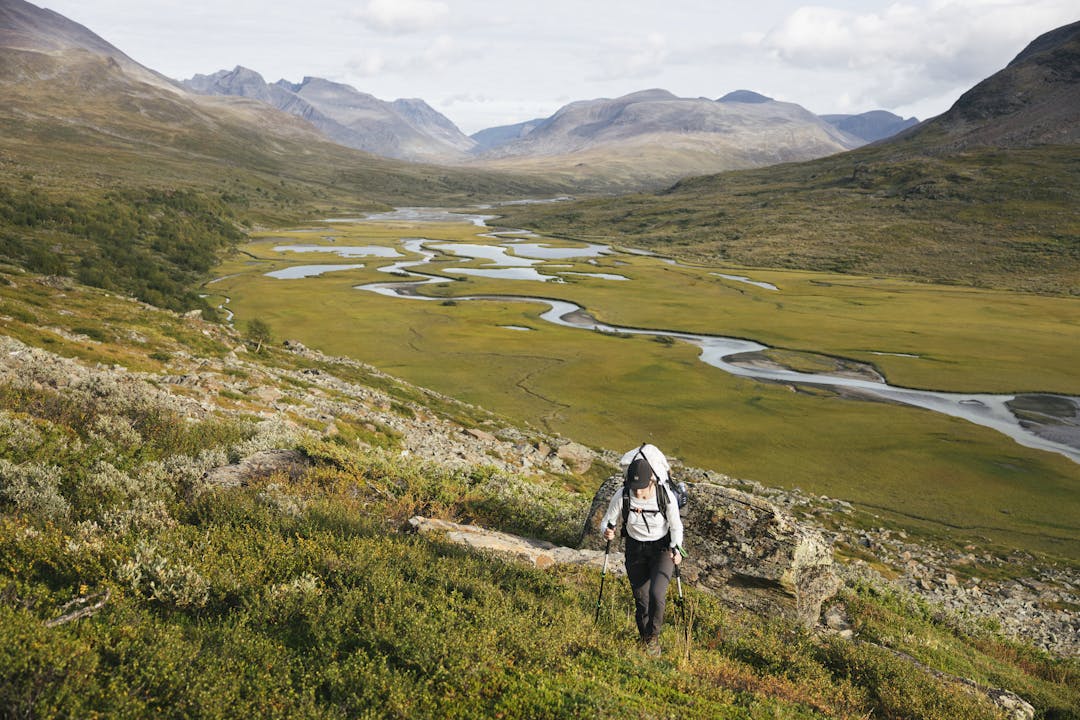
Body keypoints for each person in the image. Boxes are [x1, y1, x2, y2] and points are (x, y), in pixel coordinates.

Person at [600, 444, 684, 657]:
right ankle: (645, 639)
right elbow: (607, 520)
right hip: (635, 549)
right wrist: (606, 531)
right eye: (634, 486)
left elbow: (676, 526)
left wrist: (677, 549)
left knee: (657, 595)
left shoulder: (665, 496)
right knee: (642, 600)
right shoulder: (623, 494)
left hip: (662, 548)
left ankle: (653, 638)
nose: (638, 491)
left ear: (652, 482)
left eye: (642, 487)